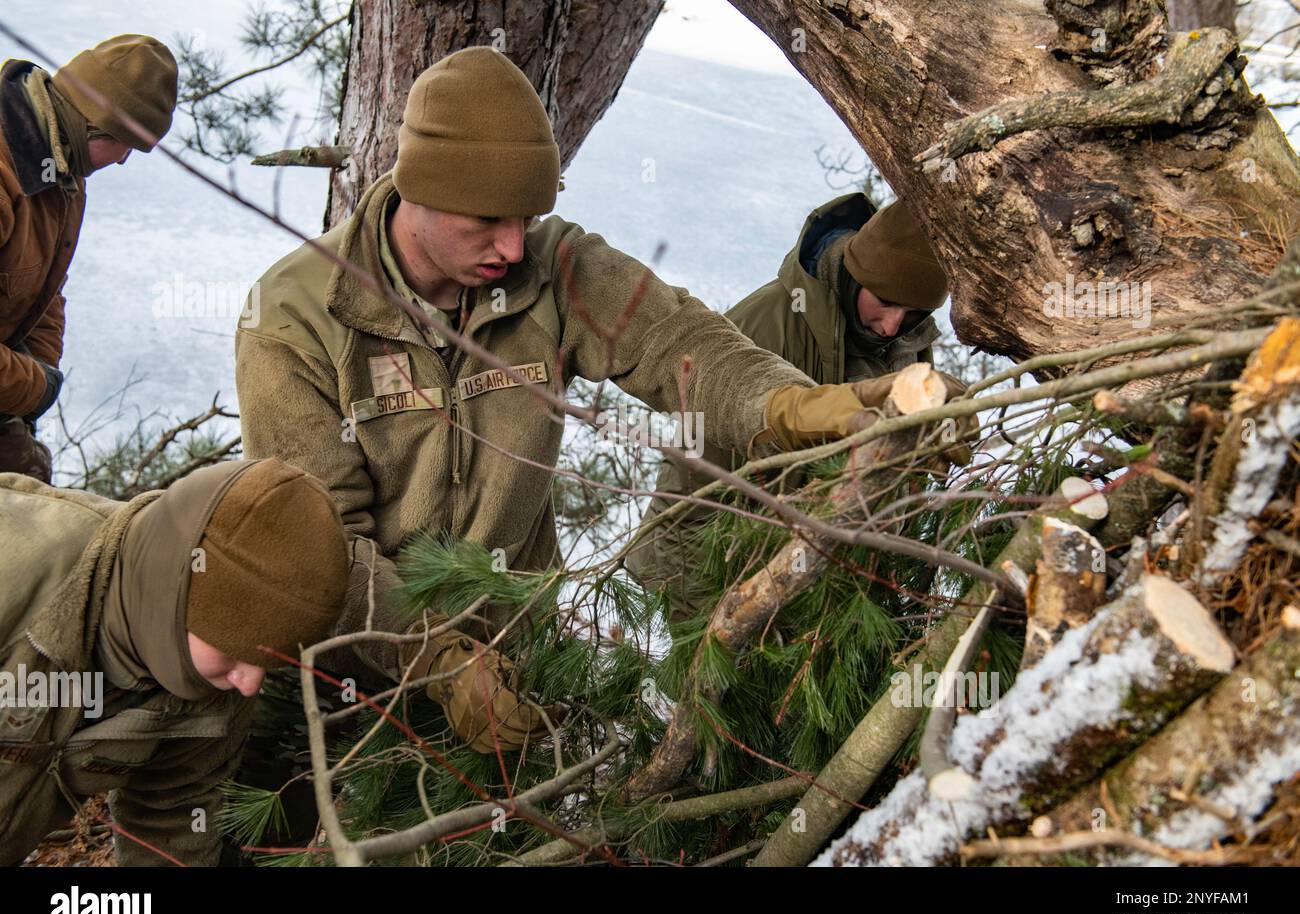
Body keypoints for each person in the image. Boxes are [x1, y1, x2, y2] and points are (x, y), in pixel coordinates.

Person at [235, 47, 966, 752]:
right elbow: (322, 546)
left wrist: (799, 408)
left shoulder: (555, 269)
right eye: (487, 220)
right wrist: (435, 662)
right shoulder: (295, 319)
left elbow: (684, 345)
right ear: (419, 192)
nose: (513, 248)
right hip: (347, 687)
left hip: (518, 659)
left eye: (525, 218)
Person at [626, 194, 963, 623]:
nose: (894, 325)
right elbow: (692, 501)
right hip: (719, 570)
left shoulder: (906, 342)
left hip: (819, 585)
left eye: (913, 313)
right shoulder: (761, 327)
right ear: (856, 276)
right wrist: (707, 634)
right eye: (884, 301)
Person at [0, 458, 350, 866]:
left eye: (270, 659)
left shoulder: (212, 689)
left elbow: (171, 827)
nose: (251, 684)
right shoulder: (17, 561)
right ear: (174, 593)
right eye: (235, 647)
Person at [0, 35, 178, 482]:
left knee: (31, 489)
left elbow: (45, 293)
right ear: (94, 123)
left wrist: (37, 380)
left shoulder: (64, 171)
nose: (121, 162)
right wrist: (34, 388)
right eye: (125, 144)